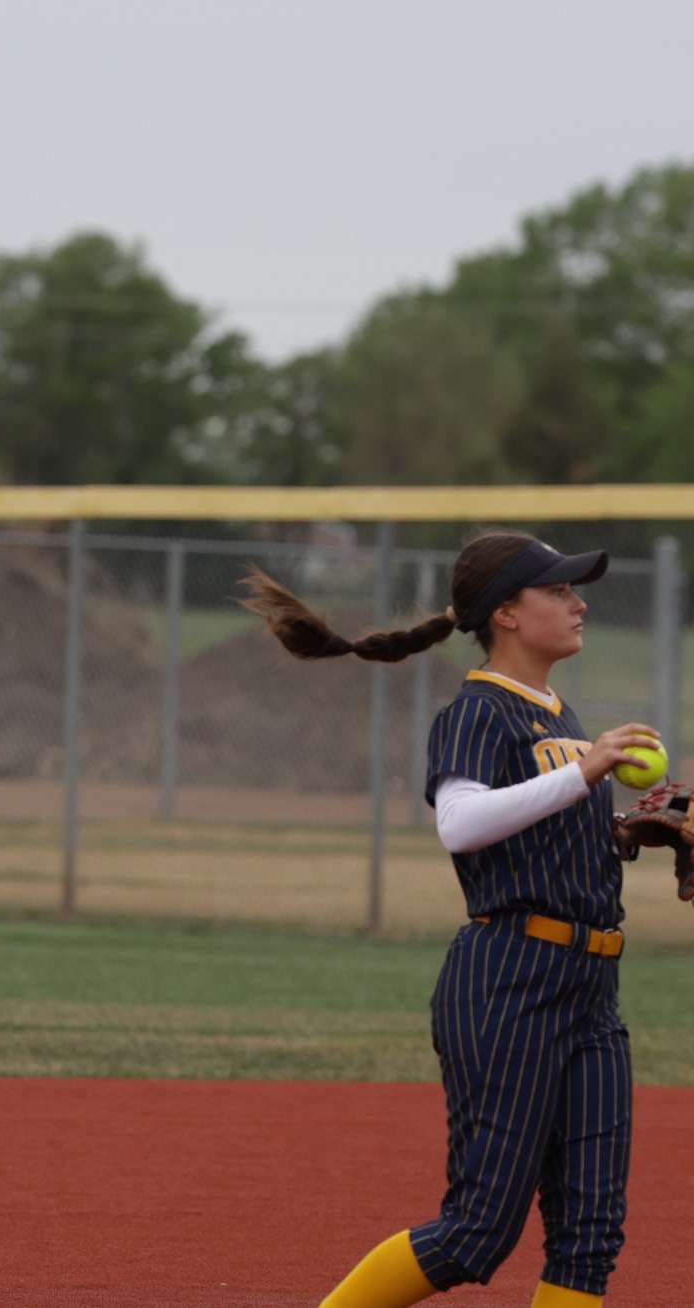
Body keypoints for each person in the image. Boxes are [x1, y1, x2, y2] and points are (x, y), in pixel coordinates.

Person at [241, 529, 666, 1308]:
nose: (578, 603)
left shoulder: (559, 714)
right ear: (506, 611)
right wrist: (586, 768)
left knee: (592, 1231)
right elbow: (462, 825)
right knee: (478, 1231)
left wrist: (630, 832)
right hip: (509, 982)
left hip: (590, 989)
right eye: (559, 590)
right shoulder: (476, 712)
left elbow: (544, 835)